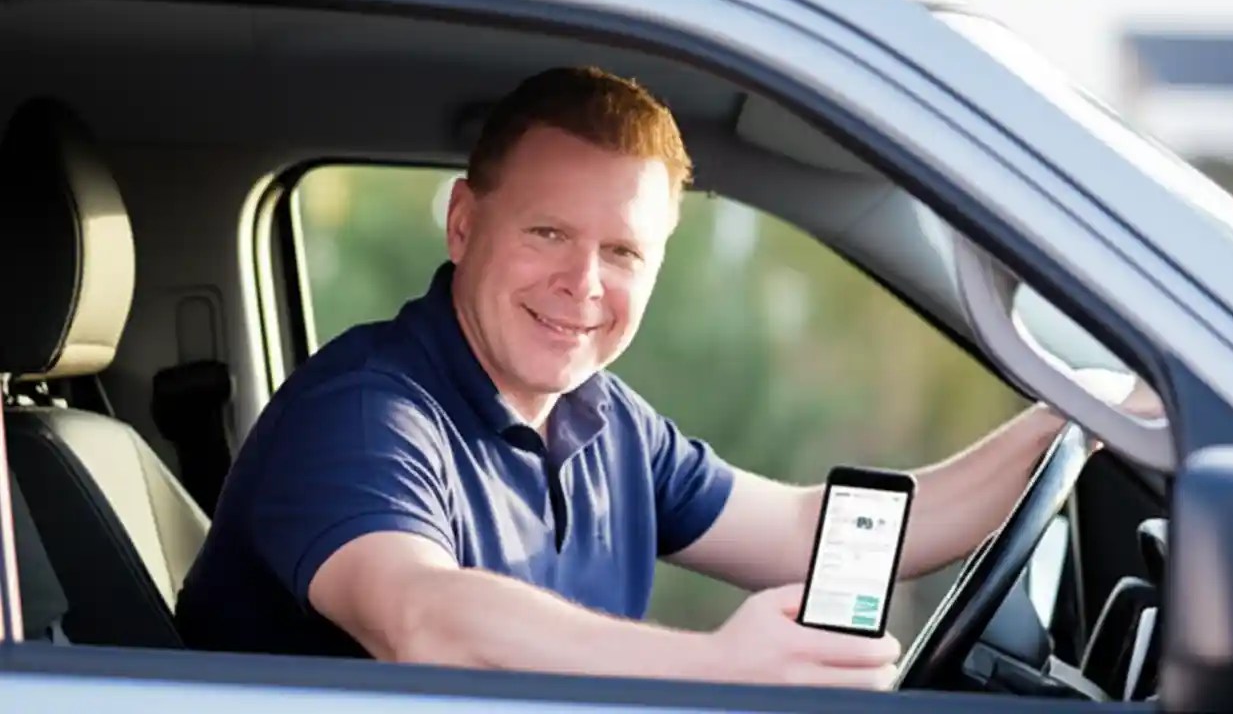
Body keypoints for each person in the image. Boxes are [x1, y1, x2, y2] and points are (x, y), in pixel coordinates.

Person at [175, 66, 1156, 688]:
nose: (582, 283)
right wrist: (715, 669)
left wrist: (1068, 414)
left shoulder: (602, 419)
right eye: (548, 233)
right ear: (464, 225)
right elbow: (426, 620)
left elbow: (803, 533)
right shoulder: (367, 414)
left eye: (622, 252)